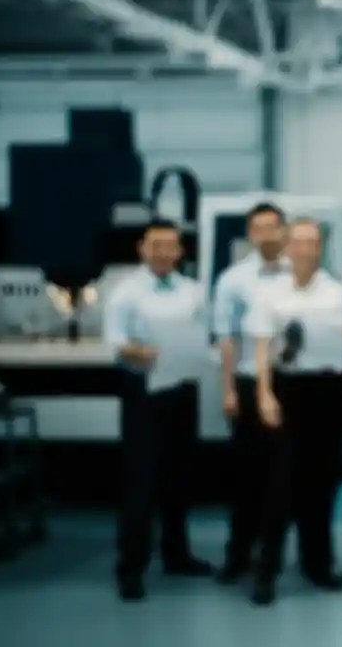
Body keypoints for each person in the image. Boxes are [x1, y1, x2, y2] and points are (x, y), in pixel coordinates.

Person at [102, 218, 215, 601]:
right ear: (142, 249)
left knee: (180, 476)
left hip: (183, 387)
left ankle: (177, 554)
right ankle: (131, 568)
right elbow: (116, 344)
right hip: (144, 390)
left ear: (181, 251)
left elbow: (205, 334)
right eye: (156, 245)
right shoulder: (126, 293)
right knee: (141, 480)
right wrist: (143, 351)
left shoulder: (194, 291)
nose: (164, 252)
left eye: (171, 246)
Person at [247, 218, 342, 606]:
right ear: (288, 246)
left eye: (312, 242)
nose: (305, 248)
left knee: (322, 482)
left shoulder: (337, 293)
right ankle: (266, 572)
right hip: (288, 390)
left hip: (329, 391)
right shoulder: (270, 293)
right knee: (281, 484)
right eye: (299, 241)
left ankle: (318, 564)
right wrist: (264, 393)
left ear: (320, 247)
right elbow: (262, 345)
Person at [210, 201, 290, 584]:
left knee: (285, 476)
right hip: (245, 382)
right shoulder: (233, 280)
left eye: (273, 226)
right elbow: (226, 339)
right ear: (250, 234)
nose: (266, 234)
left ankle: (278, 558)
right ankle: (238, 554)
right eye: (258, 228)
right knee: (246, 475)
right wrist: (227, 390)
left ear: (284, 230)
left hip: (289, 384)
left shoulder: (300, 276)